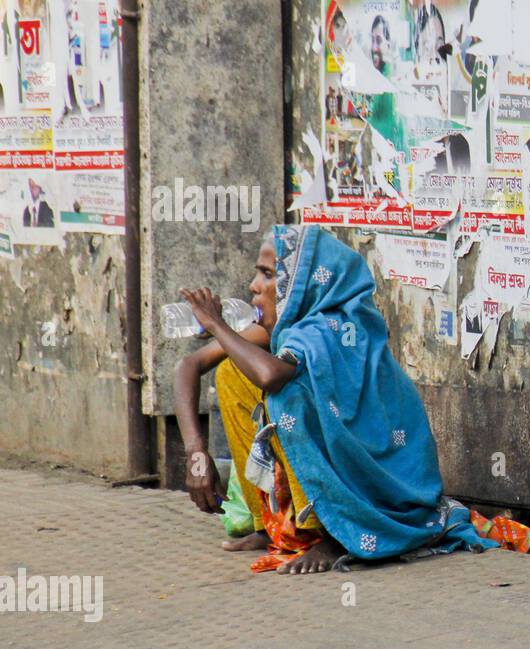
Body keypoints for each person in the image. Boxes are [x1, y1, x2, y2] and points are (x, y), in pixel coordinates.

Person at [173, 225, 497, 574]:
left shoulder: (332, 327)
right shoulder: (288, 324)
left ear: (304, 284)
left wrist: (217, 323)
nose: (254, 286)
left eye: (267, 274)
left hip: (388, 475)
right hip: (350, 455)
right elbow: (189, 365)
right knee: (231, 372)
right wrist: (195, 453)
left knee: (287, 395)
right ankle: (269, 525)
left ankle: (333, 533)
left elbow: (271, 376)